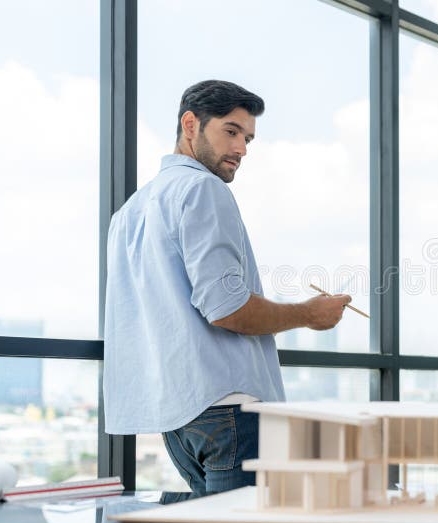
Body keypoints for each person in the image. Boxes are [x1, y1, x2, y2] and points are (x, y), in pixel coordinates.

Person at [104, 80, 351, 496]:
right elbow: (227, 308)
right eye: (231, 132)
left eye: (248, 138)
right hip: (228, 410)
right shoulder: (202, 188)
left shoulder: (130, 211)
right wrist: (309, 314)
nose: (241, 150)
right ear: (190, 125)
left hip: (176, 417)